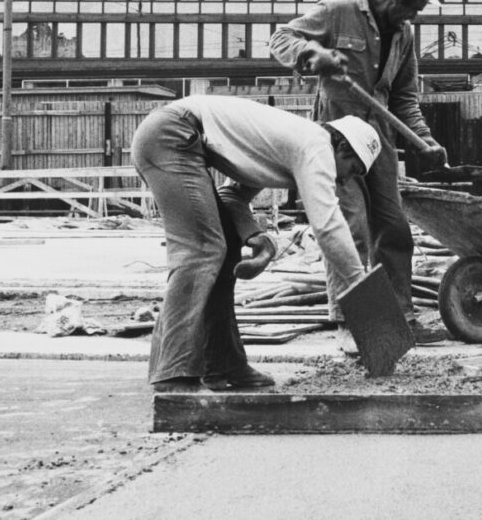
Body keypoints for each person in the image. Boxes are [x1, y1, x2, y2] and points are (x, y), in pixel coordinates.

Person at [131, 96, 381, 393]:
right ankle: (172, 372)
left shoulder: (291, 146)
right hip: (170, 136)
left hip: (172, 134)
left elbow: (232, 196)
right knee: (202, 251)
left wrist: (255, 236)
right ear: (342, 147)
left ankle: (224, 366)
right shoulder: (317, 146)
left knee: (221, 255)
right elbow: (327, 225)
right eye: (353, 169)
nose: (347, 179)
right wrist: (360, 289)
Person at [268, 0, 448, 343]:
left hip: (377, 138)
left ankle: (399, 313)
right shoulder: (337, 10)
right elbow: (281, 38)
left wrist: (424, 139)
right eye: (414, 8)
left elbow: (404, 97)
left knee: (393, 226)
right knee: (349, 226)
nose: (414, 17)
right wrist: (311, 52)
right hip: (336, 136)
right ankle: (350, 317)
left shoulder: (404, 33)